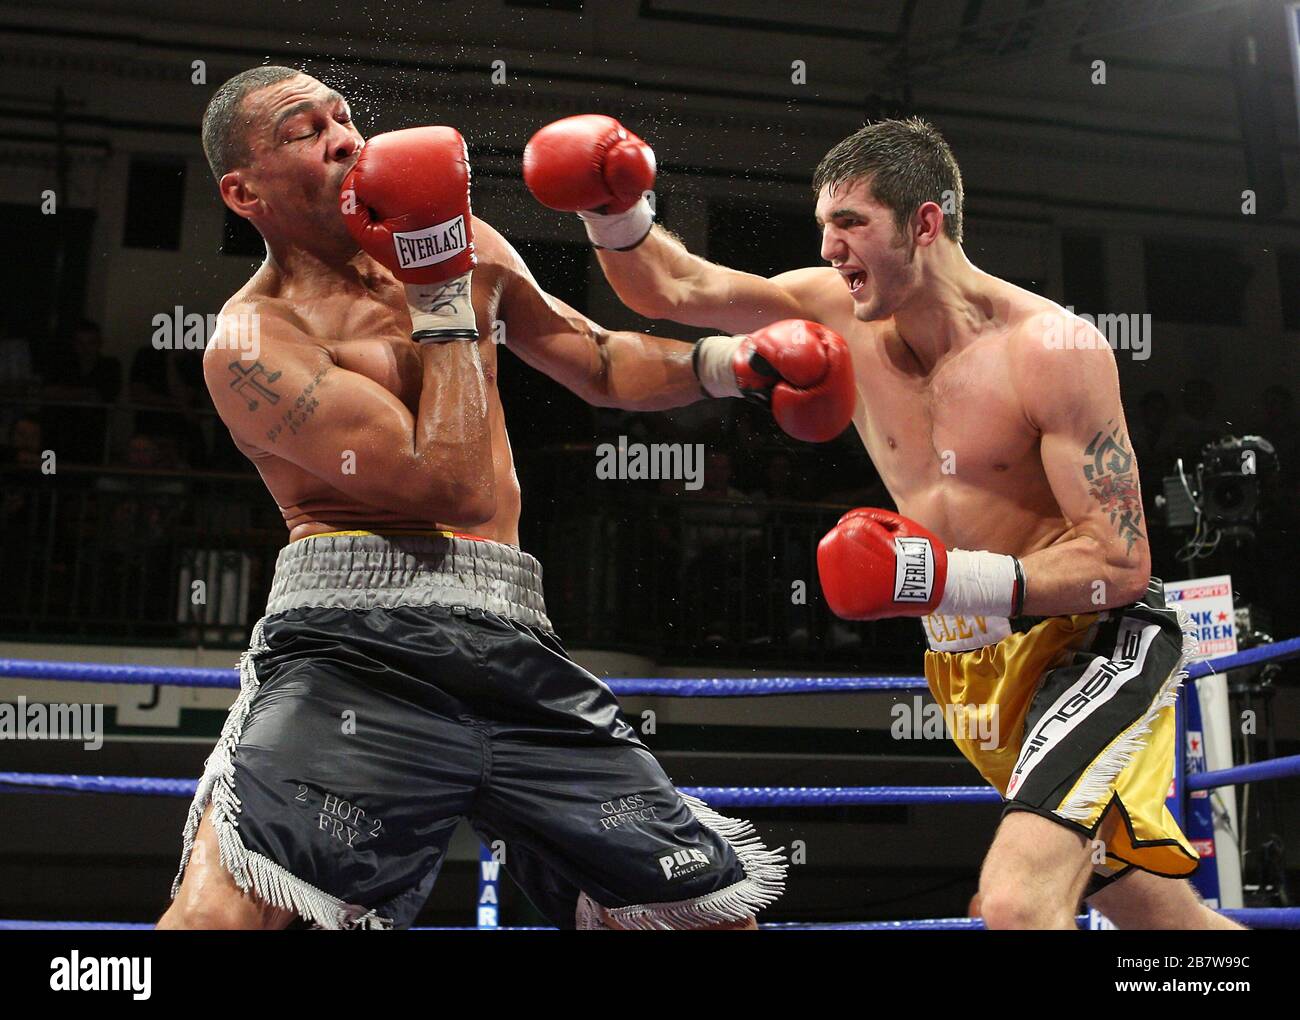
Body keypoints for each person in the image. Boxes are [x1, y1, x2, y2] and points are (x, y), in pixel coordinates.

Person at [161, 66, 857, 931]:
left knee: (709, 920)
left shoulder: (467, 243)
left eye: (345, 117)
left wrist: (732, 366)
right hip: (357, 644)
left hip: (510, 631)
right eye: (305, 131)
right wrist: (440, 285)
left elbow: (596, 360)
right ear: (243, 190)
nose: (346, 137)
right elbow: (447, 482)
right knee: (227, 919)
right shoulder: (254, 340)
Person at [525, 113, 1240, 929]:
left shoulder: (1052, 348)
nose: (829, 248)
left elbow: (1120, 563)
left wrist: (942, 579)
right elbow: (675, 287)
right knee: (1166, 926)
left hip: (1092, 645)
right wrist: (614, 209)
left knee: (1015, 904)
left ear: (925, 224)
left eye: (850, 224)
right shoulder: (833, 308)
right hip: (971, 669)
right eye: (823, 224)